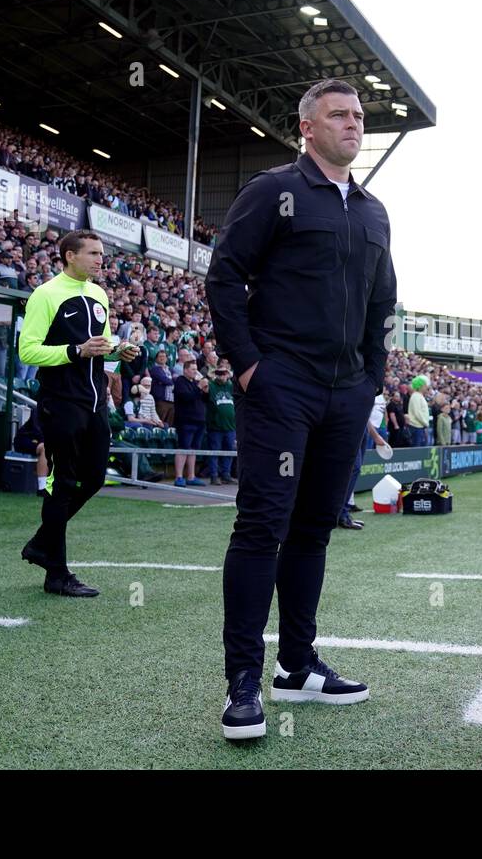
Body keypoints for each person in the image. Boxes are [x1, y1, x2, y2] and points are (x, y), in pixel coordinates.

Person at [205, 78, 396, 741]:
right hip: (282, 385)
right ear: (307, 126)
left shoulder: (374, 212)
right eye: (340, 114)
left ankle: (297, 665)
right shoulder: (272, 191)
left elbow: (381, 304)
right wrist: (251, 365)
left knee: (314, 530)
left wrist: (370, 380)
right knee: (263, 526)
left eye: (360, 115)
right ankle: (242, 686)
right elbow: (223, 275)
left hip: (346, 394)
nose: (354, 124)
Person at [17, 229, 139, 598]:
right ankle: (57, 574)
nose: (101, 260)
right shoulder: (46, 294)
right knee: (63, 483)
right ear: (69, 255)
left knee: (95, 479)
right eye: (93, 253)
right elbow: (28, 351)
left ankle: (41, 543)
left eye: (101, 254)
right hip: (61, 402)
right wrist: (76, 351)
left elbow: (99, 347)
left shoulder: (99, 294)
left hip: (94, 401)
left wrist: (118, 352)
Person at [339, 393, 392, 530]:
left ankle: (342, 513)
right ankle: (341, 513)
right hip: (349, 425)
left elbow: (364, 413)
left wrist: (374, 435)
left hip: (363, 427)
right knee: (353, 468)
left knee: (355, 469)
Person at [172, 358, 208, 487]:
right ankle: (179, 476)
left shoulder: (194, 382)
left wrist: (205, 390)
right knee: (183, 448)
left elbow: (203, 399)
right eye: (192, 369)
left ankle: (191, 476)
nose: (195, 372)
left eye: (196, 369)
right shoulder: (180, 382)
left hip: (199, 420)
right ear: (185, 370)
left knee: (194, 449)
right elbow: (186, 397)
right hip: (186, 420)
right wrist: (199, 387)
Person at [205, 364, 237, 485]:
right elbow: (202, 382)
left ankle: (226, 474)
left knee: (229, 451)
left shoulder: (231, 387)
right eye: (219, 373)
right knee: (214, 451)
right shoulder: (211, 385)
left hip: (230, 426)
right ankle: (214, 475)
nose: (221, 376)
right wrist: (211, 375)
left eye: (224, 373)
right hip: (215, 425)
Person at [13, 408, 48, 496]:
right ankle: (42, 488)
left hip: (40, 440)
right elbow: (38, 431)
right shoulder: (40, 409)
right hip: (26, 439)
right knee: (45, 447)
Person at [406, 374, 431, 446]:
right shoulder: (416, 396)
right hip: (416, 427)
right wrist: (425, 423)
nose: (427, 387)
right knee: (417, 450)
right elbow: (417, 413)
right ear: (421, 386)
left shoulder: (418, 396)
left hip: (420, 427)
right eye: (425, 385)